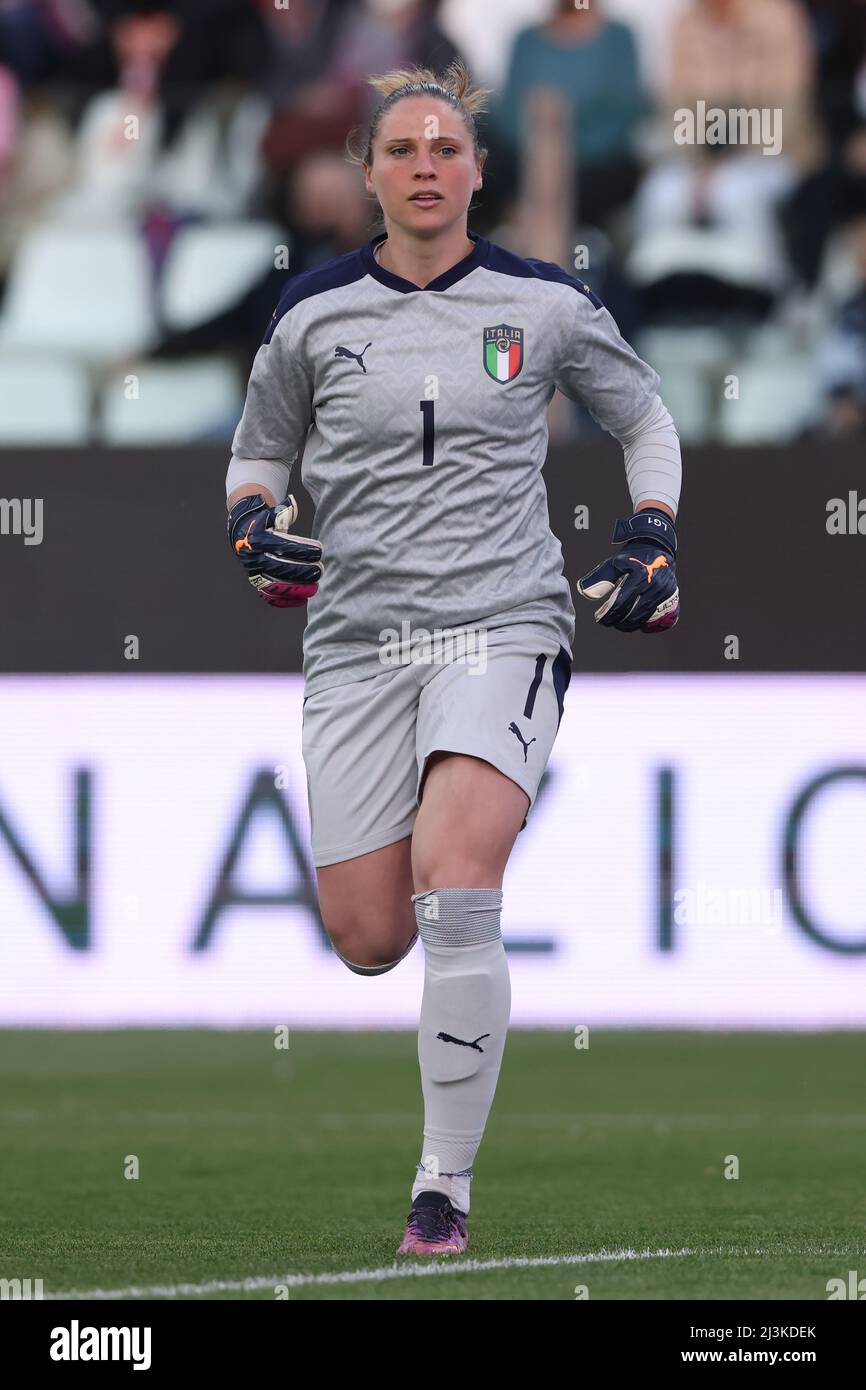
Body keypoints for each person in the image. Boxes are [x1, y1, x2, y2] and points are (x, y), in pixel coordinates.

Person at [225, 60, 682, 1256]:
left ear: (477, 170)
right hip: (359, 642)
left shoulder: (542, 303)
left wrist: (651, 531)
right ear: (367, 174)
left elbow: (643, 414)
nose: (425, 166)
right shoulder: (312, 314)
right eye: (402, 150)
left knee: (455, 881)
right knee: (369, 935)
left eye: (445, 148)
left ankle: (442, 1186)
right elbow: (257, 455)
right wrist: (250, 525)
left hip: (502, 620)